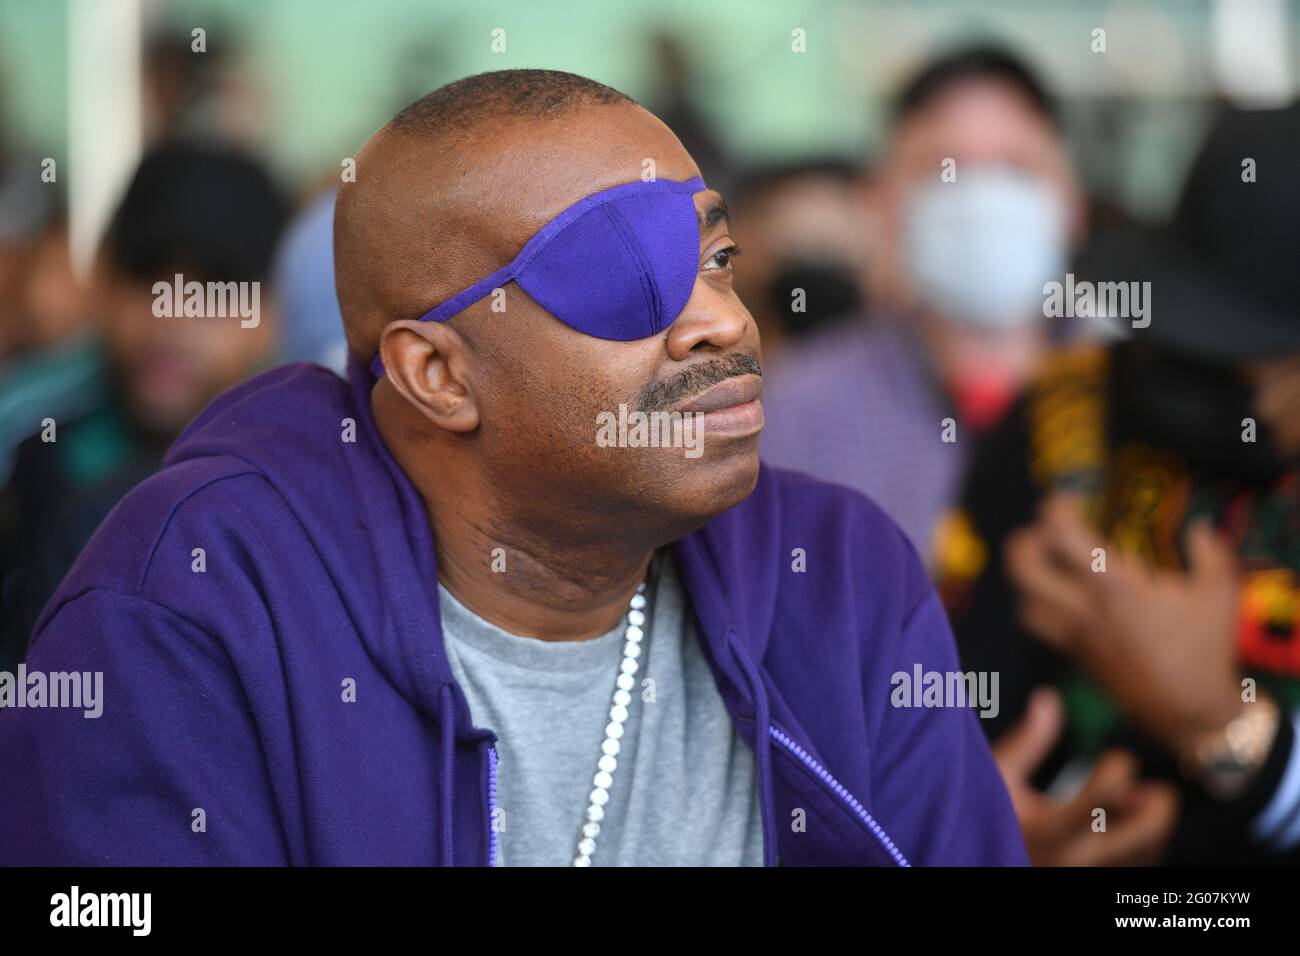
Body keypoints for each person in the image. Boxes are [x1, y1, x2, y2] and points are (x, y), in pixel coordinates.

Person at [0, 70, 1024, 867]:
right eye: (630, 278)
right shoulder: (192, 604)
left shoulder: (838, 576)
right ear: (438, 372)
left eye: (716, 260)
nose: (722, 322)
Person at [939, 103, 1300, 864]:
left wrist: (1213, 725)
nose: (1247, 396)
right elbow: (968, 705)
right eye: (1191, 336)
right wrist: (984, 825)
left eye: (1265, 357)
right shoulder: (1064, 417)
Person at [760, 44, 1087, 560]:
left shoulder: (1148, 385)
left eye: (1017, 168)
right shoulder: (796, 409)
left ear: (1071, 200)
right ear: (881, 203)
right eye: (944, 168)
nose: (983, 202)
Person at [0, 141, 289, 665]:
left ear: (270, 314)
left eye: (216, 289)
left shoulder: (307, 471)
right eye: (148, 280)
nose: (173, 318)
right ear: (104, 284)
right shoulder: (32, 442)